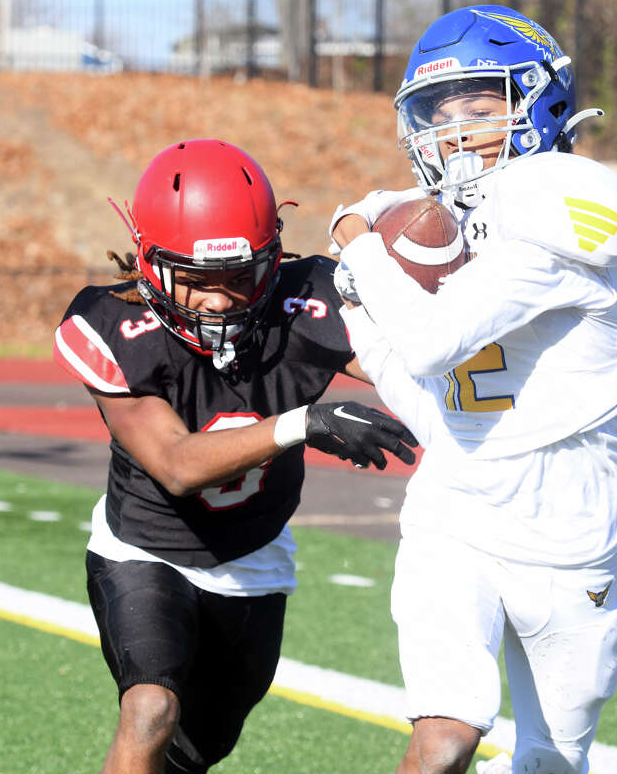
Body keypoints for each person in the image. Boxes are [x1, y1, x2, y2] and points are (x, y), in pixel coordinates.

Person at [330, 6, 617, 774]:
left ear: (540, 101)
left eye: (481, 107)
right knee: (443, 738)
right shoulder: (434, 215)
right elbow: (419, 373)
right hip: (457, 499)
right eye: (439, 114)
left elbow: (436, 338)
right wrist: (358, 296)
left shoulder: (572, 192)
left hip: (569, 509)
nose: (457, 132)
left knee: (551, 761)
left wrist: (356, 243)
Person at [53, 138, 417, 774]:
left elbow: (415, 370)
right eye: (195, 281)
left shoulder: (306, 303)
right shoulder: (114, 325)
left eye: (238, 277)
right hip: (145, 546)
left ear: (273, 258)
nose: (219, 300)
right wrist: (305, 422)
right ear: (148, 261)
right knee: (149, 711)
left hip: (254, 557)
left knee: (199, 750)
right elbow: (176, 465)